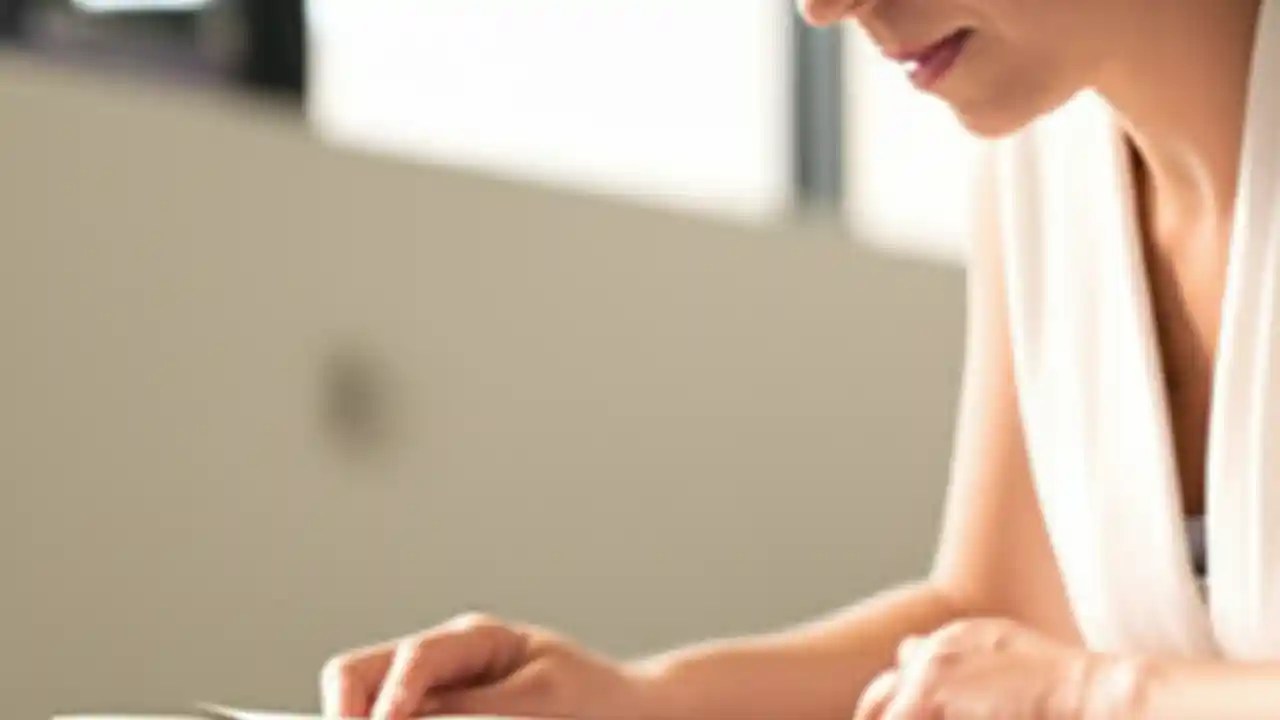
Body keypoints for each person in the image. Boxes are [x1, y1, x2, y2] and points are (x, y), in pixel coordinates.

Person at [319, 0, 1280, 717]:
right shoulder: (1042, 166)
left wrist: (1096, 698)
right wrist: (638, 701)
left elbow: (1047, 675)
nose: (823, 6)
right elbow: (995, 614)